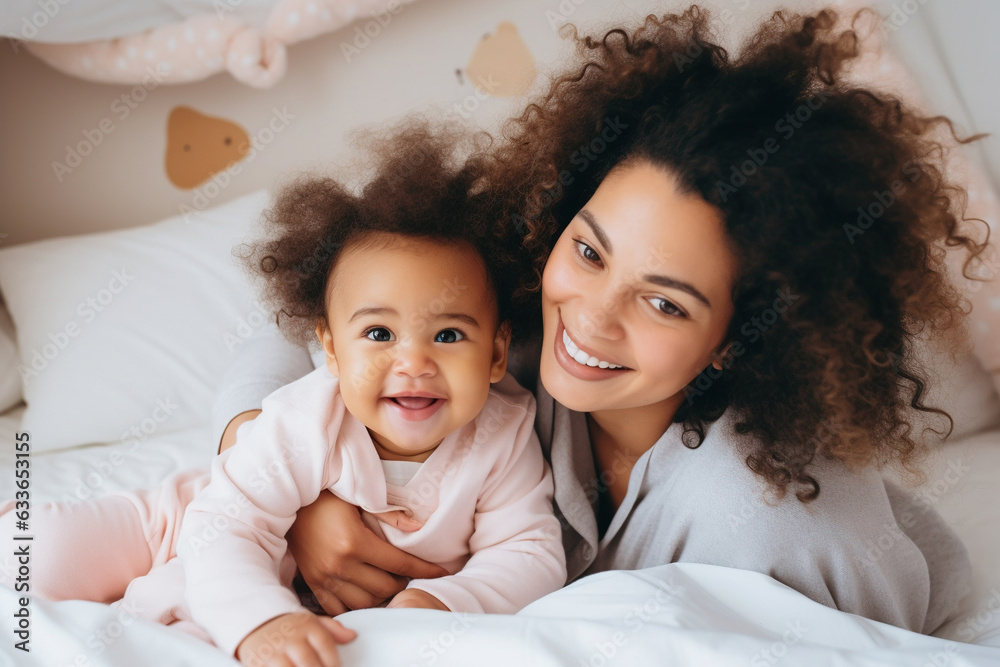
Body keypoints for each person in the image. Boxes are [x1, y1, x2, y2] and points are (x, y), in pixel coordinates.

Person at [218, 6, 986, 637]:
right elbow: (294, 338)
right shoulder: (503, 336)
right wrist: (295, 498)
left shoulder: (771, 530)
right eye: (589, 251)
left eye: (663, 302)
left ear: (737, 338)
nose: (589, 317)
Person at [0, 128, 566, 667]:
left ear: (496, 353)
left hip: (279, 571)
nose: (413, 363)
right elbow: (224, 528)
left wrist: (449, 600)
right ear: (331, 351)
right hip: (189, 516)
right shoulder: (308, 417)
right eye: (378, 334)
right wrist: (257, 621)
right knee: (41, 554)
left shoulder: (505, 433)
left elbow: (529, 554)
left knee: (187, 628)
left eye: (448, 335)